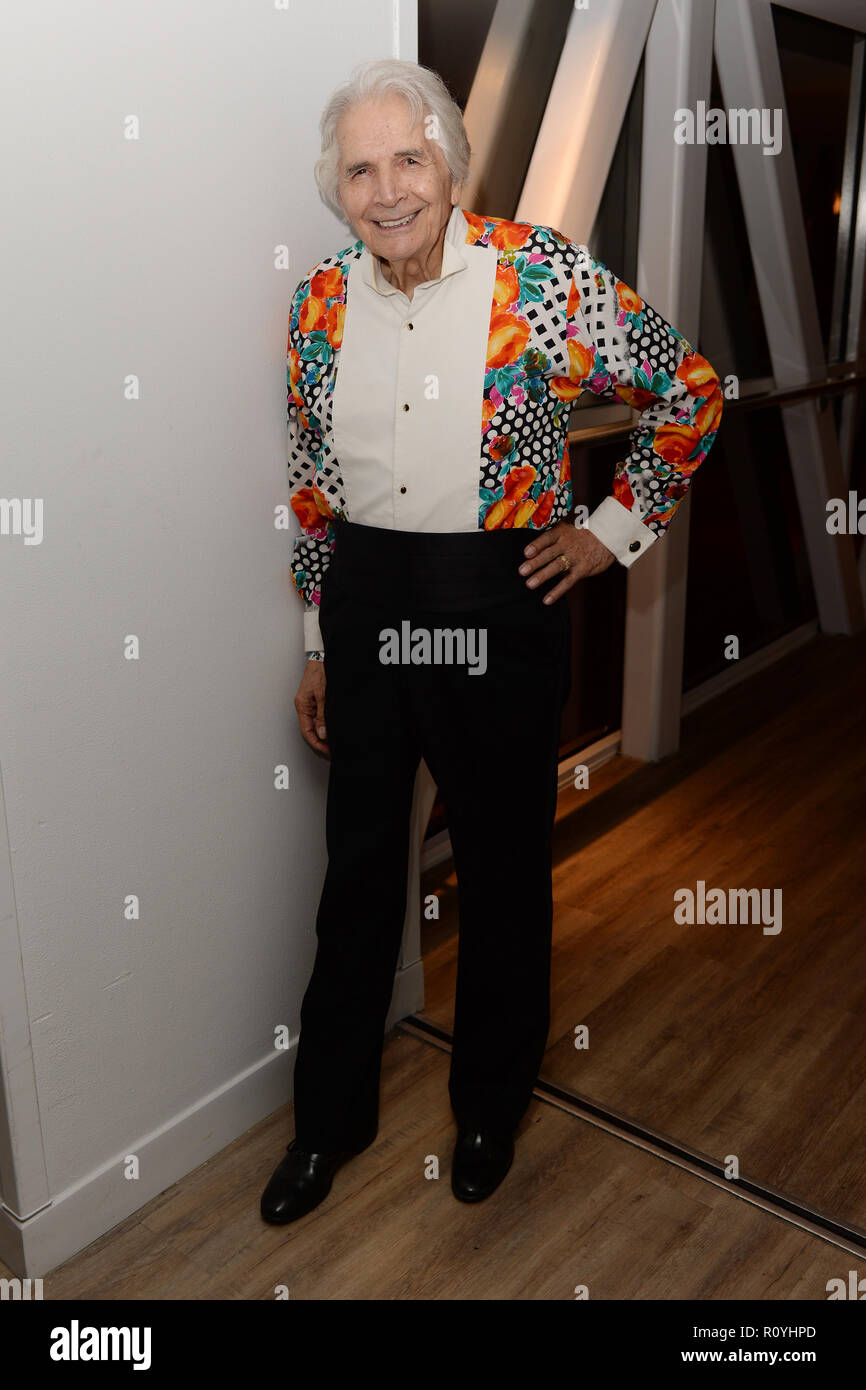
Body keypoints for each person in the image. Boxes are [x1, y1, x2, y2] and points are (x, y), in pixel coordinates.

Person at [260, 57, 722, 1224]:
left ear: (450, 164)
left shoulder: (539, 272)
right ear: (338, 189)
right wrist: (320, 638)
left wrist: (607, 532)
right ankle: (327, 1124)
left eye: (407, 159)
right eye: (359, 169)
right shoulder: (317, 303)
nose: (387, 189)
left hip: (493, 603)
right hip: (365, 601)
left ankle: (486, 1107)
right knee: (359, 873)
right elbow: (314, 490)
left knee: (504, 869)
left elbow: (692, 389)